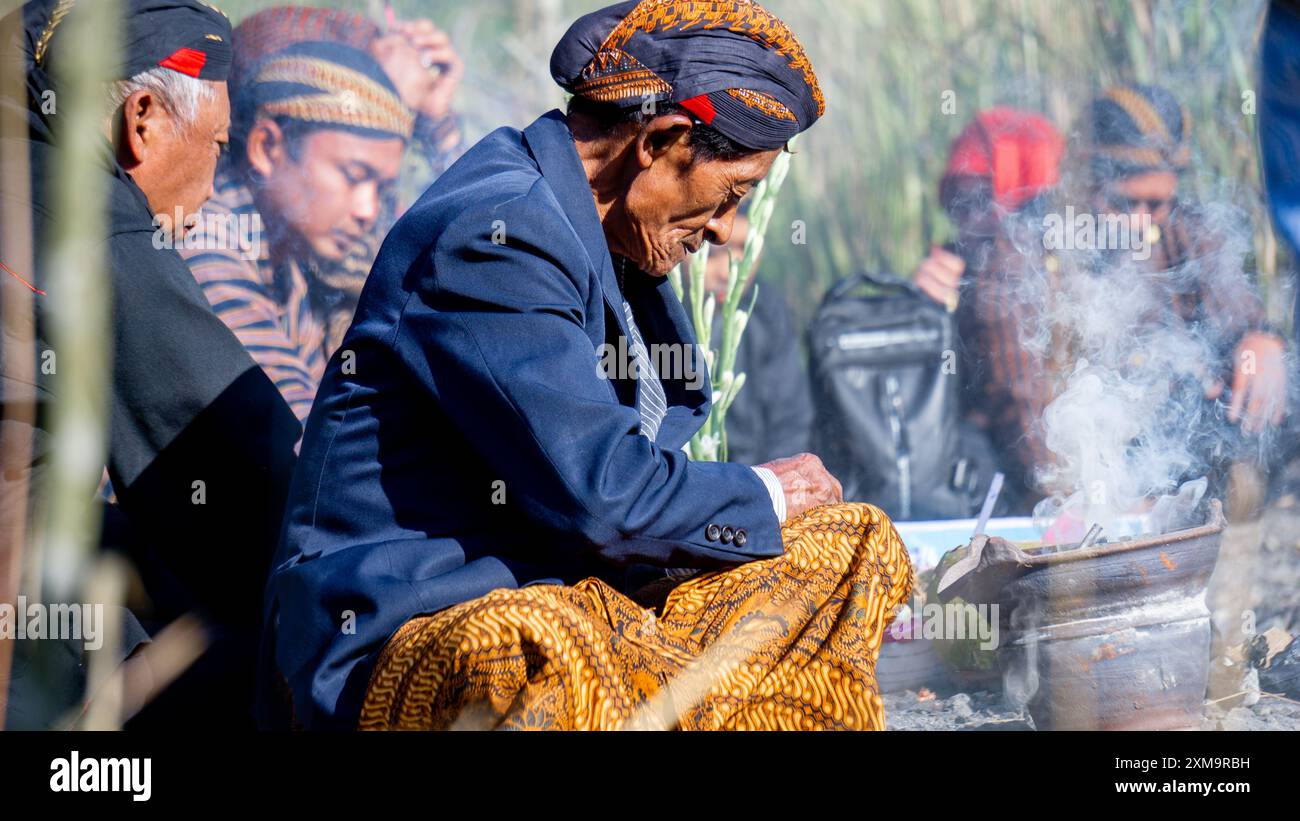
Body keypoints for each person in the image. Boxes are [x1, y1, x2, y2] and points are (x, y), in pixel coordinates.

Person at [260, 0, 911, 732]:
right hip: (407, 630)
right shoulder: (495, 235)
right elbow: (603, 495)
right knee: (538, 648)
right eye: (732, 195)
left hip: (563, 590)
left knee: (852, 544)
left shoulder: (597, 231)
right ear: (661, 140)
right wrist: (765, 491)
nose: (728, 229)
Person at [0, 0, 300, 728]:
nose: (205, 202)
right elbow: (237, 457)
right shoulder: (91, 220)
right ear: (143, 120)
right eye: (218, 147)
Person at [182, 6, 465, 423]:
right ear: (267, 147)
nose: (368, 211)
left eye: (382, 190)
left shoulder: (290, 257)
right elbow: (308, 439)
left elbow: (462, 265)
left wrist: (435, 123)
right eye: (353, 175)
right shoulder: (211, 246)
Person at [911, 107, 1067, 510]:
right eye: (959, 204)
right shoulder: (949, 276)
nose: (969, 221)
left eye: (983, 201)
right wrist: (921, 314)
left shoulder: (1067, 265)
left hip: (1060, 475)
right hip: (1002, 487)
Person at [698, 206, 814, 465]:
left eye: (742, 249)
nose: (728, 270)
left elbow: (791, 417)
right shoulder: (655, 316)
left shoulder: (766, 311)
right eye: (713, 254)